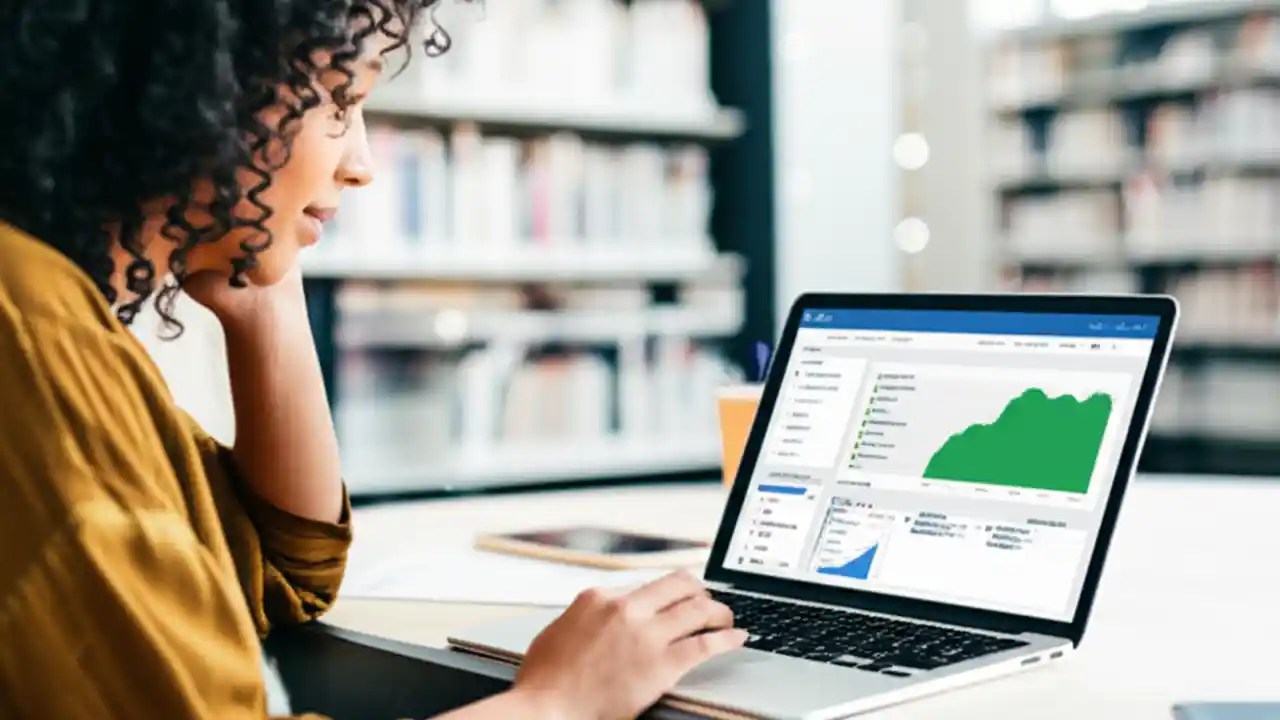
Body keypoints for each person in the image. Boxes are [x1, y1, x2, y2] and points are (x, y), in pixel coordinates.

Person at [0, 2, 746, 718]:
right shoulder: (36, 345)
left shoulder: (58, 315)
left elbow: (283, 572)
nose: (361, 166)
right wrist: (556, 702)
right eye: (338, 101)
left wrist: (265, 295)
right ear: (205, 89)